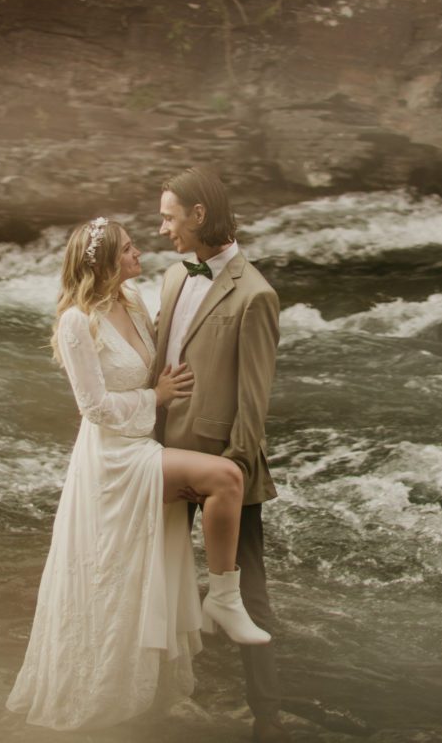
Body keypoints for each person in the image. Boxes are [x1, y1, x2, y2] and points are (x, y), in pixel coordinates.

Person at [7, 216, 271, 732]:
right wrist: (157, 398)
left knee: (131, 576)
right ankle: (223, 597)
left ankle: (136, 688)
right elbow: (95, 408)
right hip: (113, 458)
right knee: (225, 479)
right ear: (105, 263)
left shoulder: (132, 301)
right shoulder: (77, 322)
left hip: (145, 442)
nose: (138, 254)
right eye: (128, 251)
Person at [153, 167, 289, 743]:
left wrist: (225, 473)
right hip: (159, 459)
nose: (163, 230)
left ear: (199, 215)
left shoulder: (255, 295)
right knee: (152, 580)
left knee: (246, 593)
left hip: (222, 471)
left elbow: (252, 405)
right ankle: (148, 700)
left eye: (169, 216)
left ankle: (268, 715)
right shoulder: (171, 278)